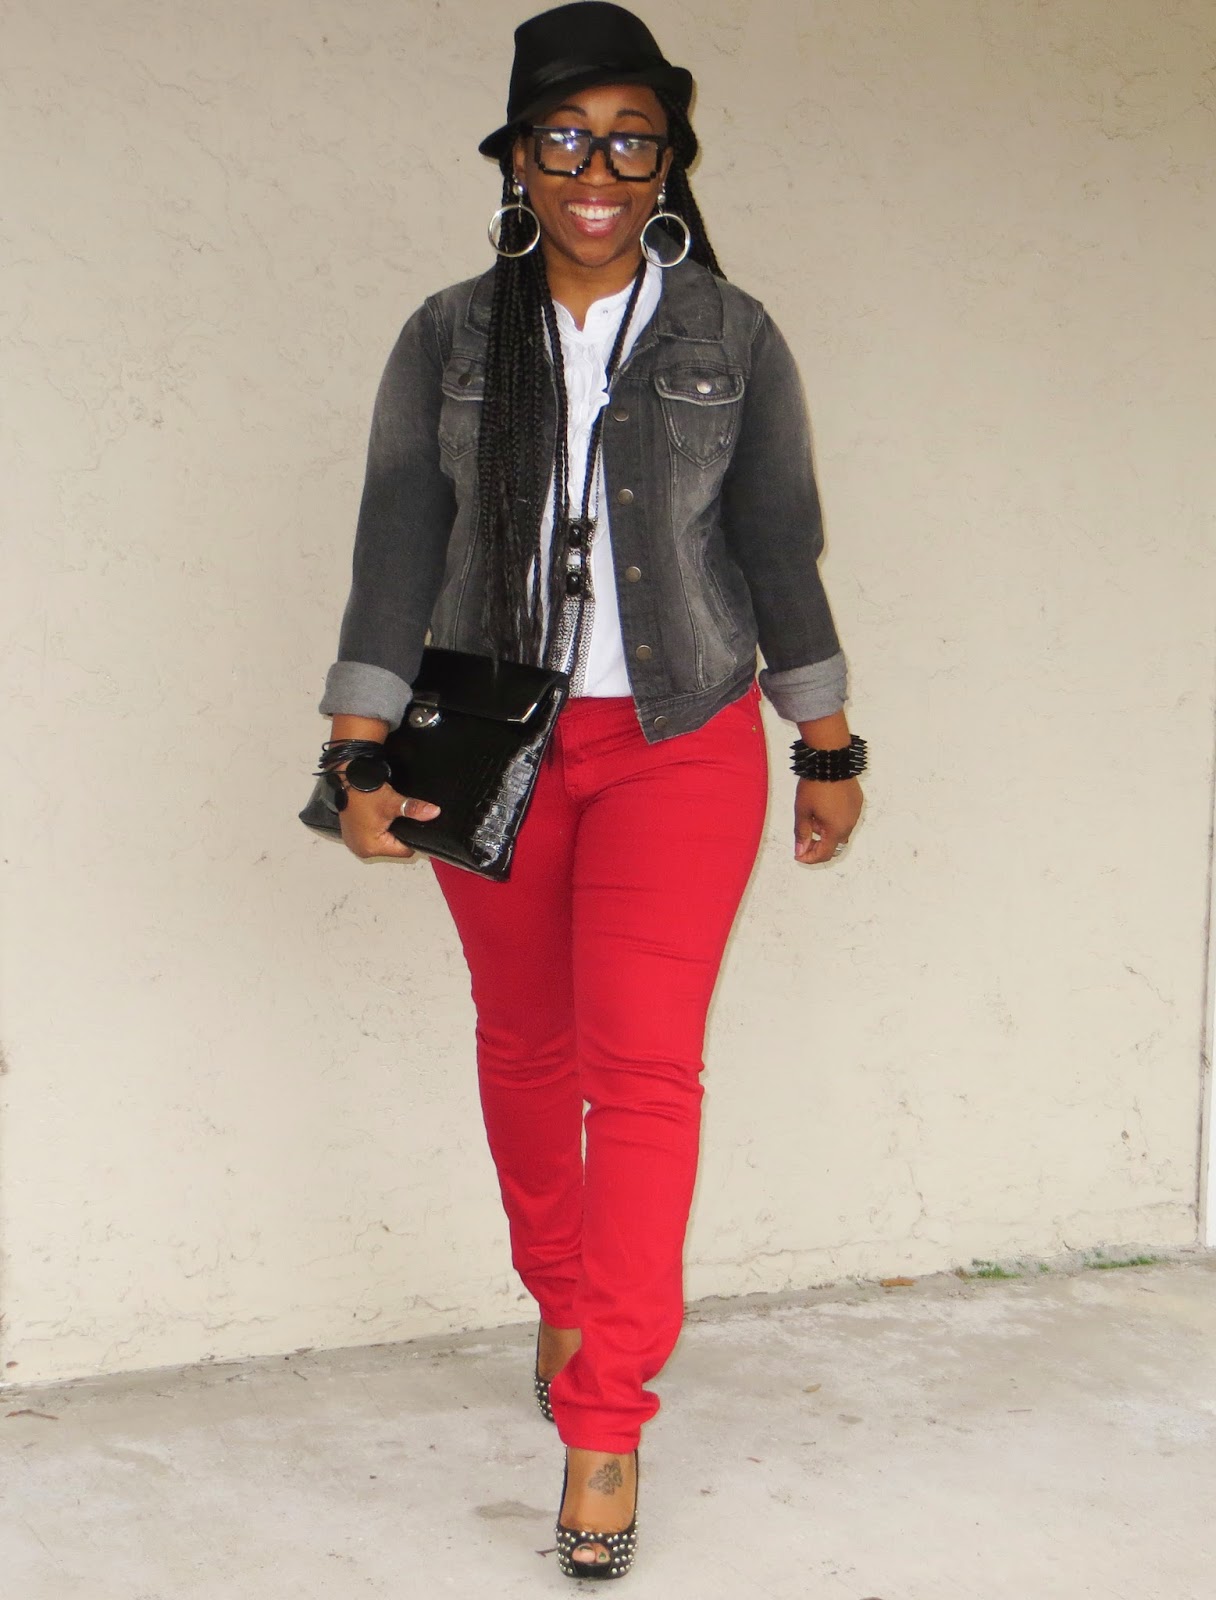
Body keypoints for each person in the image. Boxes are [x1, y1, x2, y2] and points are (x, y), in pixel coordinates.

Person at [316, 2, 864, 1579]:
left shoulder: (728, 334)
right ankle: (559, 1289)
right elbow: (395, 546)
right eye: (563, 137)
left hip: (683, 736)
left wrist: (824, 742)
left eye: (631, 136)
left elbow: (778, 548)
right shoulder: (447, 335)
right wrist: (356, 745)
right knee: (523, 1045)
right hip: (491, 739)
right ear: (516, 157)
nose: (597, 167)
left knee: (644, 1075)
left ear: (672, 157)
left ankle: (607, 1413)